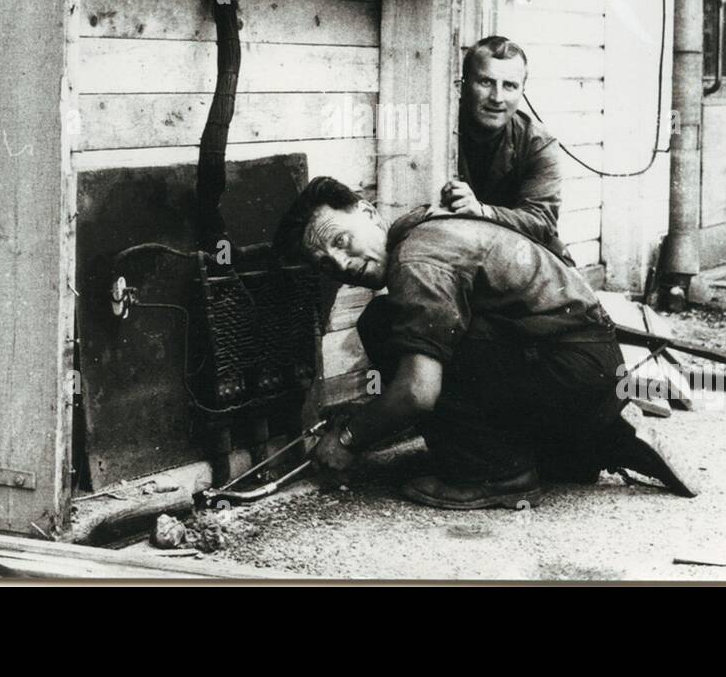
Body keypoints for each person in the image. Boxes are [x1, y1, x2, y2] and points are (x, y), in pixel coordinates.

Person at [274, 176, 697, 509]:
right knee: (405, 327)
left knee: (384, 327)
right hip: (589, 365)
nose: (344, 263)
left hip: (567, 364)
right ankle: (598, 439)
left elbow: (419, 392)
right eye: (327, 264)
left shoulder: (415, 258)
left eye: (342, 241)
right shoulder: (428, 227)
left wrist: (349, 437)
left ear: (367, 212)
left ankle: (495, 476)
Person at [441, 36, 573, 265]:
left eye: (510, 86)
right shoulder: (441, 129)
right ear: (463, 84)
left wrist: (483, 212)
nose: (497, 98)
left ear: (523, 90)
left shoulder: (537, 143)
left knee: (562, 267)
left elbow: (541, 221)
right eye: (485, 82)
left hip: (512, 251)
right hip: (447, 245)